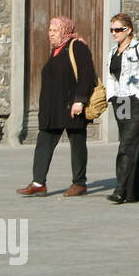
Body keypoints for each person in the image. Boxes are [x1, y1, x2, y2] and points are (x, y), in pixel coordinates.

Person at [19, 16, 95, 196]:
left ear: (64, 31)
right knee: (44, 142)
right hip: (53, 109)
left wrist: (80, 100)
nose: (50, 34)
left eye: (54, 30)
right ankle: (38, 183)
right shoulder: (56, 50)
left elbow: (86, 75)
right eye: (49, 30)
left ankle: (79, 183)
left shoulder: (78, 47)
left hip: (72, 106)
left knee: (77, 144)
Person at [104, 13, 139, 204]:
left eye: (118, 29)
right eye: (112, 30)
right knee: (131, 142)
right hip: (120, 101)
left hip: (138, 102)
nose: (114, 33)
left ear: (129, 30)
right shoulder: (113, 52)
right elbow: (111, 76)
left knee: (127, 144)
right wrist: (111, 95)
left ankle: (120, 189)